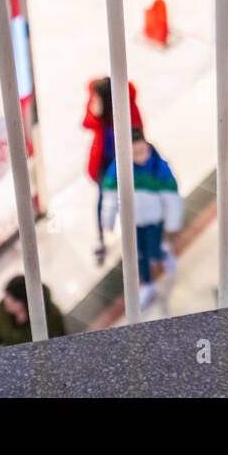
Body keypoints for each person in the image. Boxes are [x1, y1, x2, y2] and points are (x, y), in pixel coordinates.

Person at [104, 126, 182, 309]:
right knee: (140, 255)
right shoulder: (117, 168)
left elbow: (172, 199)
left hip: (155, 221)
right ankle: (147, 284)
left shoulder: (159, 167)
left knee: (153, 251)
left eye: (142, 150)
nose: (140, 156)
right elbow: (109, 197)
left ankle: (165, 252)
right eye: (135, 153)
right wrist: (107, 221)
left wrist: (173, 224)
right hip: (132, 223)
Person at [84, 77, 143, 264]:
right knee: (102, 200)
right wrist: (96, 114)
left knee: (127, 199)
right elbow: (86, 123)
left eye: (98, 99)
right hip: (104, 162)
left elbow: (138, 135)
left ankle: (133, 237)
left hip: (124, 162)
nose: (94, 102)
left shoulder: (128, 108)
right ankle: (101, 238)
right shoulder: (98, 107)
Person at [0, 275, 67, 349]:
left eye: (14, 300)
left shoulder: (51, 318)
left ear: (27, 302)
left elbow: (58, 347)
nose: (7, 302)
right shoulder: (3, 307)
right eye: (7, 295)